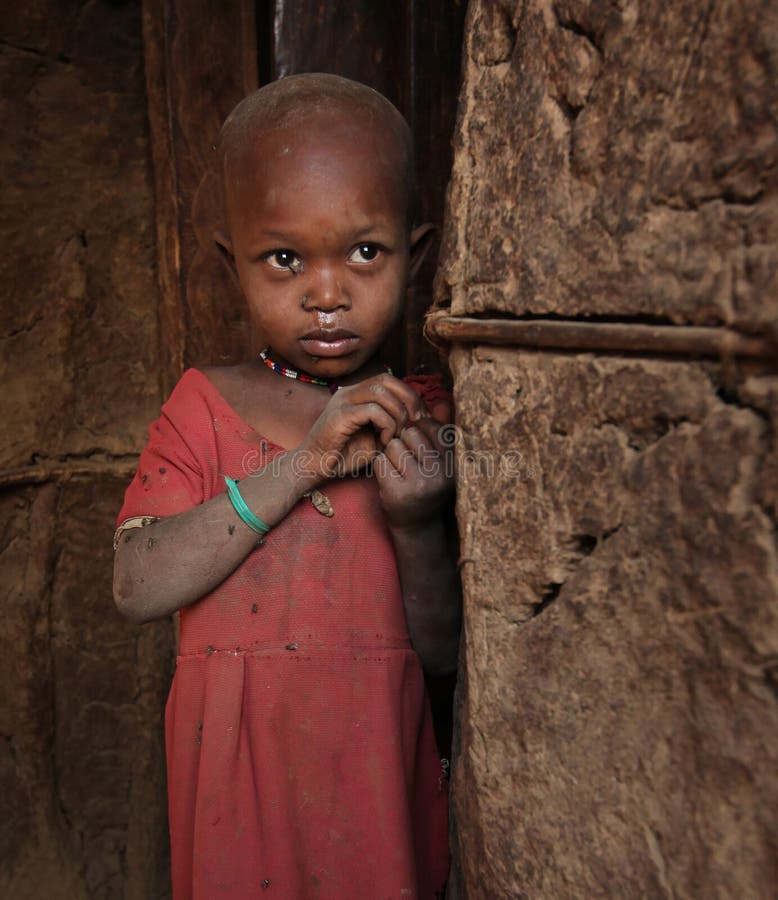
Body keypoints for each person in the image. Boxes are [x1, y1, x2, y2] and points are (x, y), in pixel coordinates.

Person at [113, 73, 461, 899]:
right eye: (284, 259)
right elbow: (135, 585)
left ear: (415, 256)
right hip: (238, 778)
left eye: (365, 252)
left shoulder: (428, 419)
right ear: (230, 265)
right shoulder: (204, 405)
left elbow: (447, 657)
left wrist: (417, 525)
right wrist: (305, 464)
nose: (327, 294)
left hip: (374, 768)